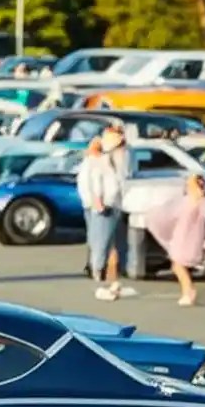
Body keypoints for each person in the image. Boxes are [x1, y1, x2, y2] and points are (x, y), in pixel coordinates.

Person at [145, 174, 205, 306]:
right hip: (191, 235)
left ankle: (189, 291)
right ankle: (187, 291)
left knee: (178, 265)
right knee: (178, 265)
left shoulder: (190, 200)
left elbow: (171, 213)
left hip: (184, 235)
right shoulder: (203, 201)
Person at [77, 138, 123, 301]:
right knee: (101, 242)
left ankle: (105, 277)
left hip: (94, 205)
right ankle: (99, 277)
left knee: (100, 241)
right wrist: (99, 201)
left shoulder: (91, 162)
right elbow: (97, 182)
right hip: (103, 205)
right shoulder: (100, 162)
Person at [99, 125, 135, 296]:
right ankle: (112, 279)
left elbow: (117, 181)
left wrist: (105, 201)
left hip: (113, 203)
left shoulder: (117, 156)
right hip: (118, 202)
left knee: (110, 243)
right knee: (113, 243)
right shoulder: (123, 154)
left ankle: (111, 279)